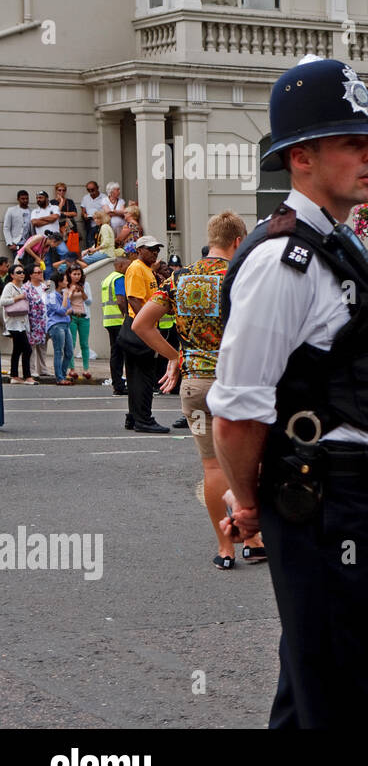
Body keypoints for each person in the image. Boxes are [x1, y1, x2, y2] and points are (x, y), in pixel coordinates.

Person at [210, 55, 368, 729]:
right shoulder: (283, 262)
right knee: (340, 695)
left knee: (315, 690)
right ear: (300, 157)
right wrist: (249, 502)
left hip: (345, 498)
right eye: (352, 141)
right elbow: (237, 412)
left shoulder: (333, 245)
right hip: (318, 498)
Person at [133, 211, 267, 570]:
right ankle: (252, 538)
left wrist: (177, 357)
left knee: (212, 467)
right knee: (250, 463)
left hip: (195, 385)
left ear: (211, 239)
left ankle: (225, 547)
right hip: (238, 383)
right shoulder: (241, 277)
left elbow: (141, 324)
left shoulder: (179, 278)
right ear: (238, 242)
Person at [121, 236, 169, 433]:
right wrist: (147, 325)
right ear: (139, 250)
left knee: (136, 376)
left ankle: (135, 416)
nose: (155, 252)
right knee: (144, 377)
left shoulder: (146, 269)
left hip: (139, 326)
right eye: (150, 249)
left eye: (157, 249)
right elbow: (134, 299)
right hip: (140, 327)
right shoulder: (136, 268)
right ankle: (144, 419)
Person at [101, 257, 130, 395]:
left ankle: (117, 383)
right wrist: (126, 315)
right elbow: (120, 300)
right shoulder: (119, 278)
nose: (129, 269)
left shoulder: (107, 279)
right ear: (120, 265)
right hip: (119, 320)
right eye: (127, 266)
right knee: (122, 354)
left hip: (109, 320)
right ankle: (120, 385)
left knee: (115, 353)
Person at [2, 265, 35, 383]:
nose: (22, 274)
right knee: (27, 349)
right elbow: (2, 301)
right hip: (13, 323)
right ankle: (27, 376)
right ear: (12, 275)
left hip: (21, 323)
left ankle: (15, 376)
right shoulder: (9, 286)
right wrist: (18, 298)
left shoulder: (23, 287)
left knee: (17, 350)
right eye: (18, 272)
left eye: (23, 272)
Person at [45, 269, 74, 384]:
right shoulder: (52, 295)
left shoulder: (61, 294)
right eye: (65, 280)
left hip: (66, 324)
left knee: (69, 352)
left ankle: (62, 374)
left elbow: (70, 309)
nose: (67, 282)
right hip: (56, 325)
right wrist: (66, 297)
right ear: (59, 282)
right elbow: (62, 310)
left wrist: (66, 307)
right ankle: (59, 377)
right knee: (59, 351)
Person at [64, 265, 93, 380]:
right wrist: (71, 291)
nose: (77, 276)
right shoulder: (66, 285)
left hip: (84, 316)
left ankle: (86, 369)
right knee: (72, 343)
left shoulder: (86, 285)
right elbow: (65, 302)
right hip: (72, 317)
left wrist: (82, 291)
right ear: (69, 275)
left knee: (84, 344)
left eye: (78, 274)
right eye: (74, 274)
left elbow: (89, 301)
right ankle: (72, 369)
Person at [24, 264, 50, 378]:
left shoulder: (46, 287)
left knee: (43, 346)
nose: (40, 274)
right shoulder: (26, 288)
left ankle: (43, 369)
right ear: (31, 275)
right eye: (37, 272)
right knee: (32, 346)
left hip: (45, 320)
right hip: (32, 320)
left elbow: (51, 301)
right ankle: (32, 369)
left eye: (41, 272)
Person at [81, 181, 109, 246]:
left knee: (100, 243)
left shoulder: (104, 197)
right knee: (89, 242)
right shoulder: (86, 198)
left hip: (100, 224)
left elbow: (107, 211)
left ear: (97, 188)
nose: (91, 191)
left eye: (92, 189)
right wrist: (84, 215)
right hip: (89, 223)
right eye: (88, 190)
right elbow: (83, 211)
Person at [5, 190, 31, 258]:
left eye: (27, 198)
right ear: (18, 199)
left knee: (29, 266)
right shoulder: (11, 210)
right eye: (23, 199)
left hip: (29, 244)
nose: (25, 200)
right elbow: (6, 228)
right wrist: (10, 243)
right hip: (16, 244)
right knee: (17, 266)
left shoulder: (32, 211)